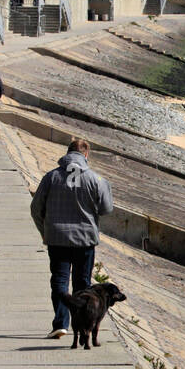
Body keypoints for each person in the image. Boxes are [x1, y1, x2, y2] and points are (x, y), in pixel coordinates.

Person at [30, 139, 114, 339]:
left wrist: (44, 230)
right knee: (82, 283)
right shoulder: (96, 179)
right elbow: (107, 208)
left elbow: (35, 208)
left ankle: (60, 323)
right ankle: (84, 324)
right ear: (86, 156)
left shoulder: (51, 177)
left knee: (59, 280)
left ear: (67, 154)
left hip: (57, 237)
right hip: (84, 239)